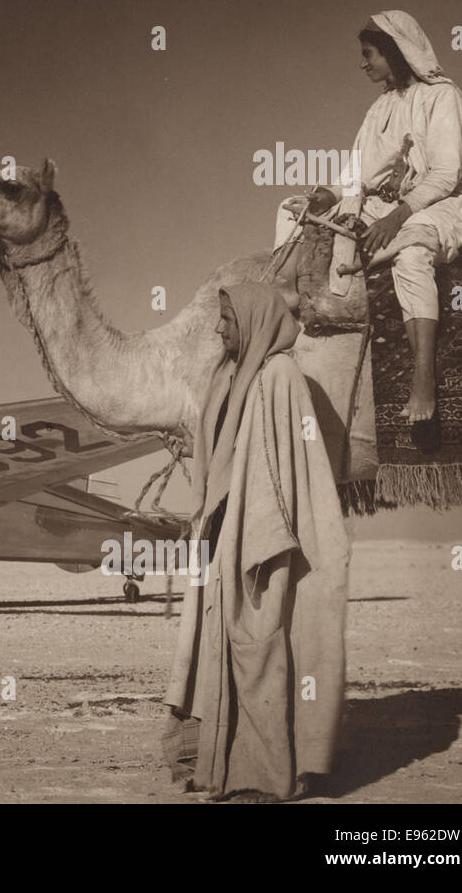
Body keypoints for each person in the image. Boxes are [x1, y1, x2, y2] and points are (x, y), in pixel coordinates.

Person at [163, 282, 351, 801]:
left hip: (267, 532)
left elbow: (286, 468)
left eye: (227, 318)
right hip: (226, 530)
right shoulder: (232, 377)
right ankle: (217, 764)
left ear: (253, 319)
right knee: (218, 648)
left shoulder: (281, 377)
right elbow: (224, 458)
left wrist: (261, 532)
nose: (220, 328)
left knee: (261, 642)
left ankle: (266, 775)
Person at [278, 10, 462, 421]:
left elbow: (448, 173)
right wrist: (327, 195)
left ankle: (423, 378)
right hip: (386, 203)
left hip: (441, 202)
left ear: (394, 53)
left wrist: (395, 219)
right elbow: (357, 175)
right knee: (293, 210)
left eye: (369, 54)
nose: (363, 63)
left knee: (411, 255)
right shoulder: (379, 109)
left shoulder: (443, 96)